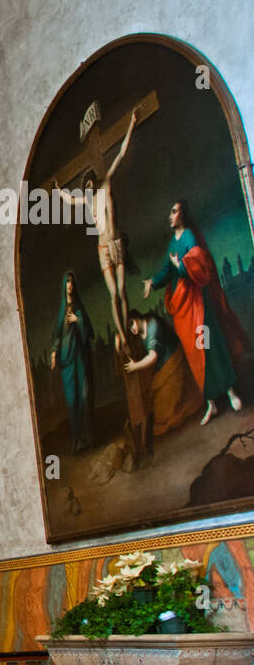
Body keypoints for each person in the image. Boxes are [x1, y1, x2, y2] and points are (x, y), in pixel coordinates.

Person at [142, 199, 250, 426]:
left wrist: (180, 265)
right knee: (195, 354)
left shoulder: (190, 236)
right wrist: (152, 281)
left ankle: (230, 393)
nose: (170, 216)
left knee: (209, 347)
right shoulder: (173, 242)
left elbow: (199, 267)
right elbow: (166, 270)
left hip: (199, 305)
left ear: (182, 214)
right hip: (183, 310)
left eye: (174, 211)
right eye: (170, 212)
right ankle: (211, 403)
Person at [54, 106, 139, 354]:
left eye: (90, 183)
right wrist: (59, 189)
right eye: (86, 186)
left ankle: (124, 334)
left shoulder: (106, 184)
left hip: (116, 245)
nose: (89, 188)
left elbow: (121, 154)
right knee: (114, 294)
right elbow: (70, 200)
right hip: (103, 248)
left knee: (122, 292)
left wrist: (131, 123)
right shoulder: (88, 200)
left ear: (94, 180)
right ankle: (122, 336)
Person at [122, 309, 202, 437]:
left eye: (131, 323)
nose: (132, 329)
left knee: (168, 413)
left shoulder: (153, 325)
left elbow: (153, 357)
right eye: (129, 328)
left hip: (175, 359)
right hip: (163, 367)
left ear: (137, 317)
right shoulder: (140, 334)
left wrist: (135, 366)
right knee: (157, 405)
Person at [50, 271, 94, 452]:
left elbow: (88, 331)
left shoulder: (77, 306)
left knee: (84, 396)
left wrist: (79, 319)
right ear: (64, 285)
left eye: (72, 282)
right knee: (72, 400)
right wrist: (54, 353)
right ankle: (77, 441)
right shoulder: (62, 309)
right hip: (67, 361)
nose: (70, 285)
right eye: (67, 282)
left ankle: (89, 438)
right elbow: (58, 335)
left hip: (79, 359)